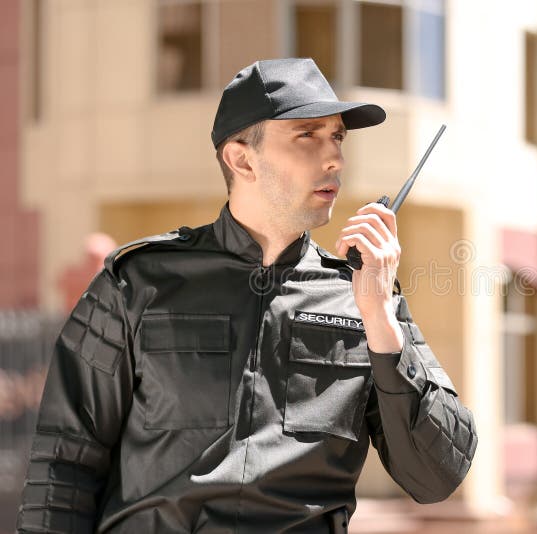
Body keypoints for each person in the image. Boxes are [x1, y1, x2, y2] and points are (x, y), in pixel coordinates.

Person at [17, 58, 477, 533]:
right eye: (308, 135)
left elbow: (436, 475)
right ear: (241, 159)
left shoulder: (363, 297)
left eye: (337, 136)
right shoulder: (136, 285)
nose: (335, 157)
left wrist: (381, 319)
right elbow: (63, 465)